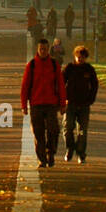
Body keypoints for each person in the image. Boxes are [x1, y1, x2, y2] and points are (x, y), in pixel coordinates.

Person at [21, 37, 67, 169]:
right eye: (41, 49)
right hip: (36, 104)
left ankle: (50, 153)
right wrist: (24, 105)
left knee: (54, 130)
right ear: (38, 49)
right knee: (38, 133)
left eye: (46, 49)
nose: (43, 51)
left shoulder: (54, 65)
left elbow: (61, 85)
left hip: (51, 104)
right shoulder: (32, 65)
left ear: (48, 50)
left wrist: (63, 103)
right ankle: (42, 159)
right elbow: (25, 86)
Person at [62, 44, 99, 164]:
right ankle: (69, 149)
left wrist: (90, 99)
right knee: (68, 128)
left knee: (82, 131)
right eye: (78, 57)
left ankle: (81, 153)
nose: (80, 59)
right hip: (70, 104)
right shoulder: (69, 68)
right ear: (75, 56)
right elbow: (61, 82)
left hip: (84, 105)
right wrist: (63, 98)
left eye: (82, 57)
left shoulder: (89, 69)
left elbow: (94, 85)